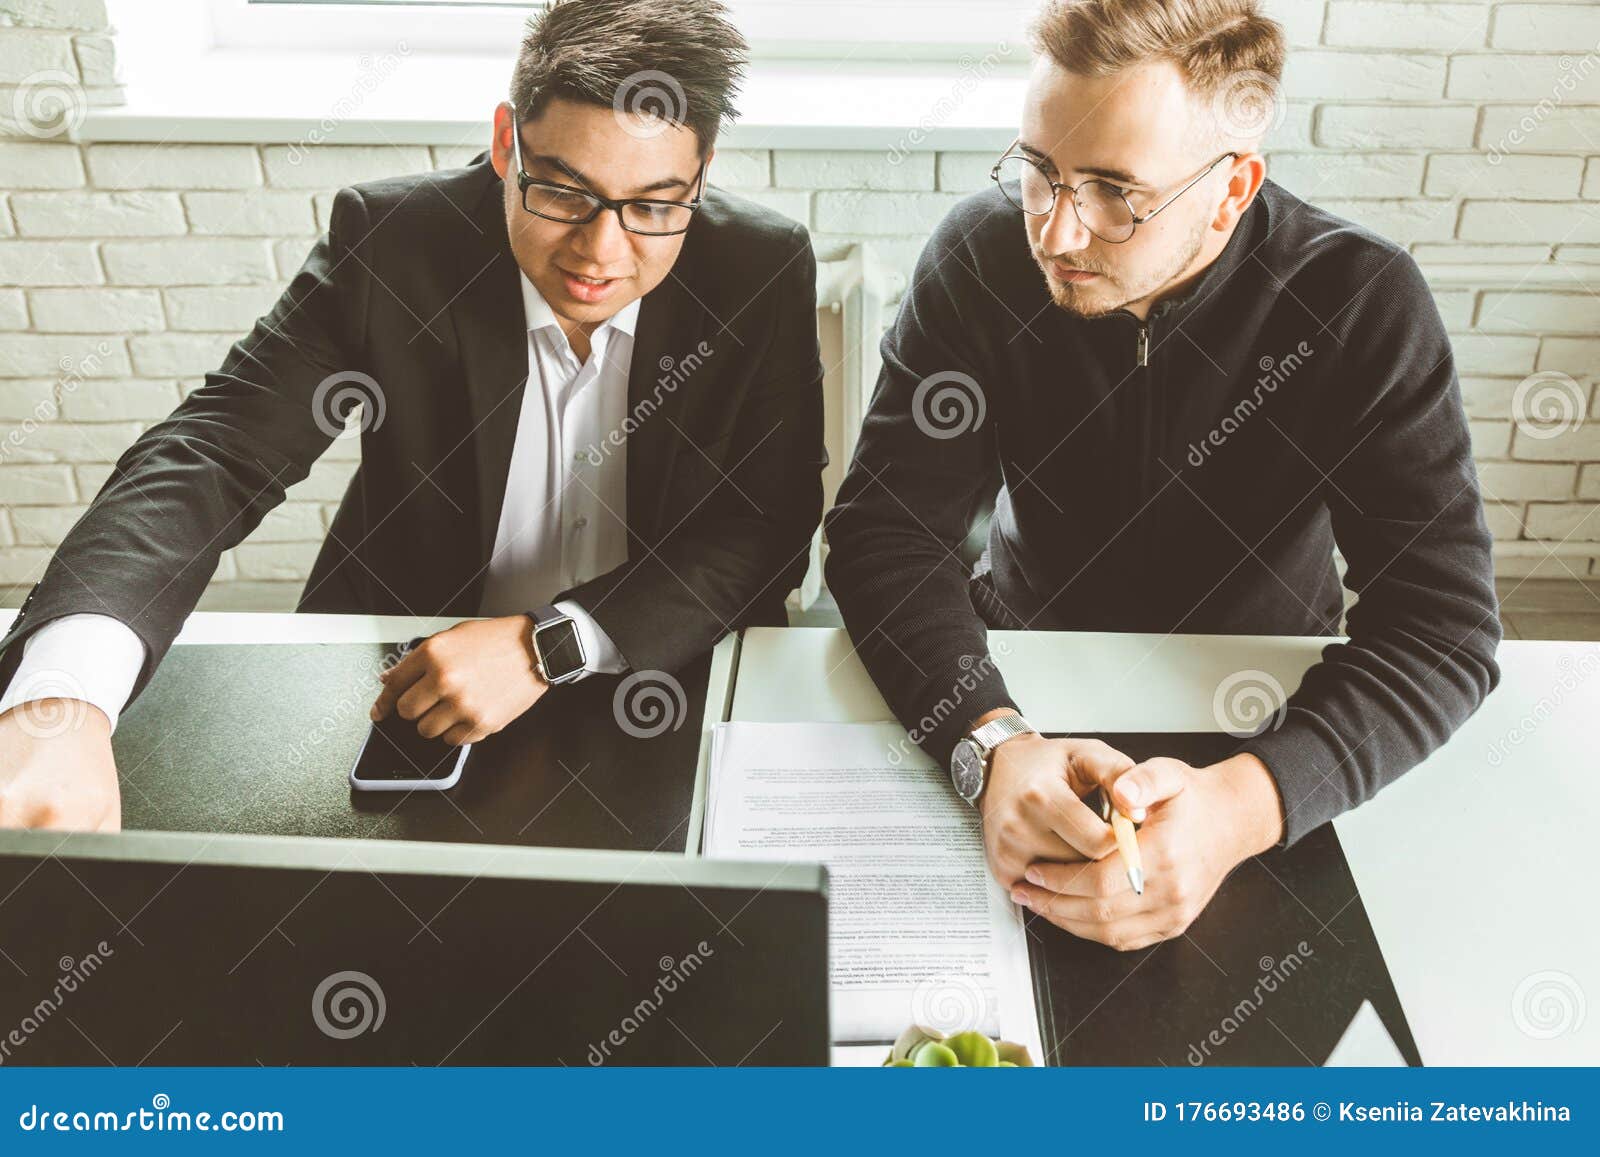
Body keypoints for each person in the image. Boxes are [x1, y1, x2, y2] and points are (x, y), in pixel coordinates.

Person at [0, 0, 826, 832]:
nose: (600, 252)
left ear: (703, 172)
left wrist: (549, 646)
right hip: (407, 683)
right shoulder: (394, 241)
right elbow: (215, 452)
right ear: (507, 142)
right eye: (564, 192)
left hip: (661, 670)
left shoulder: (759, 266)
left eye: (653, 205)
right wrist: (62, 700)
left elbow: (767, 524)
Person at [824, 0, 1500, 952]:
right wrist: (988, 743)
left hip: (1267, 704)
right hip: (1018, 670)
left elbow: (1445, 624)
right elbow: (884, 532)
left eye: (1113, 192)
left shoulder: (1361, 302)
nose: (1056, 234)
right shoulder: (979, 257)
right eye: (1039, 172)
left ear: (1231, 191)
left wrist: (1247, 802)